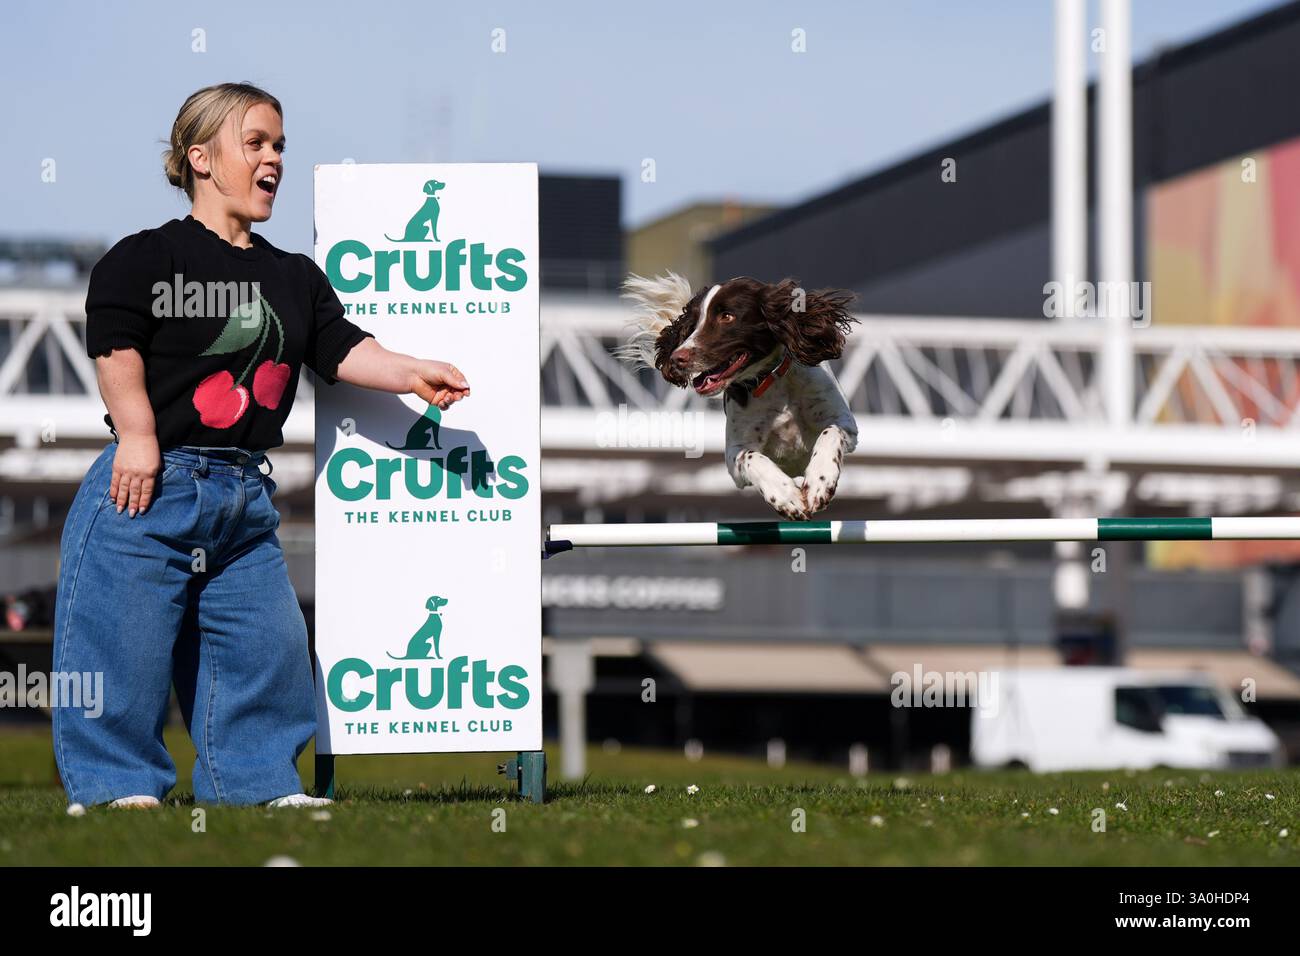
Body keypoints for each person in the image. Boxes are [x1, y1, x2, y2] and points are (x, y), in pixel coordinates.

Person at [52, 82, 471, 809]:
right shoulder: (144, 257)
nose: (273, 157)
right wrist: (140, 438)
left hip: (243, 498)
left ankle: (255, 787)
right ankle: (116, 790)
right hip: (146, 486)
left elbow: (339, 348)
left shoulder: (293, 277)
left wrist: (407, 371)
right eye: (257, 143)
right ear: (201, 158)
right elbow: (114, 344)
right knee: (120, 650)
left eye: (279, 145)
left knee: (266, 652)